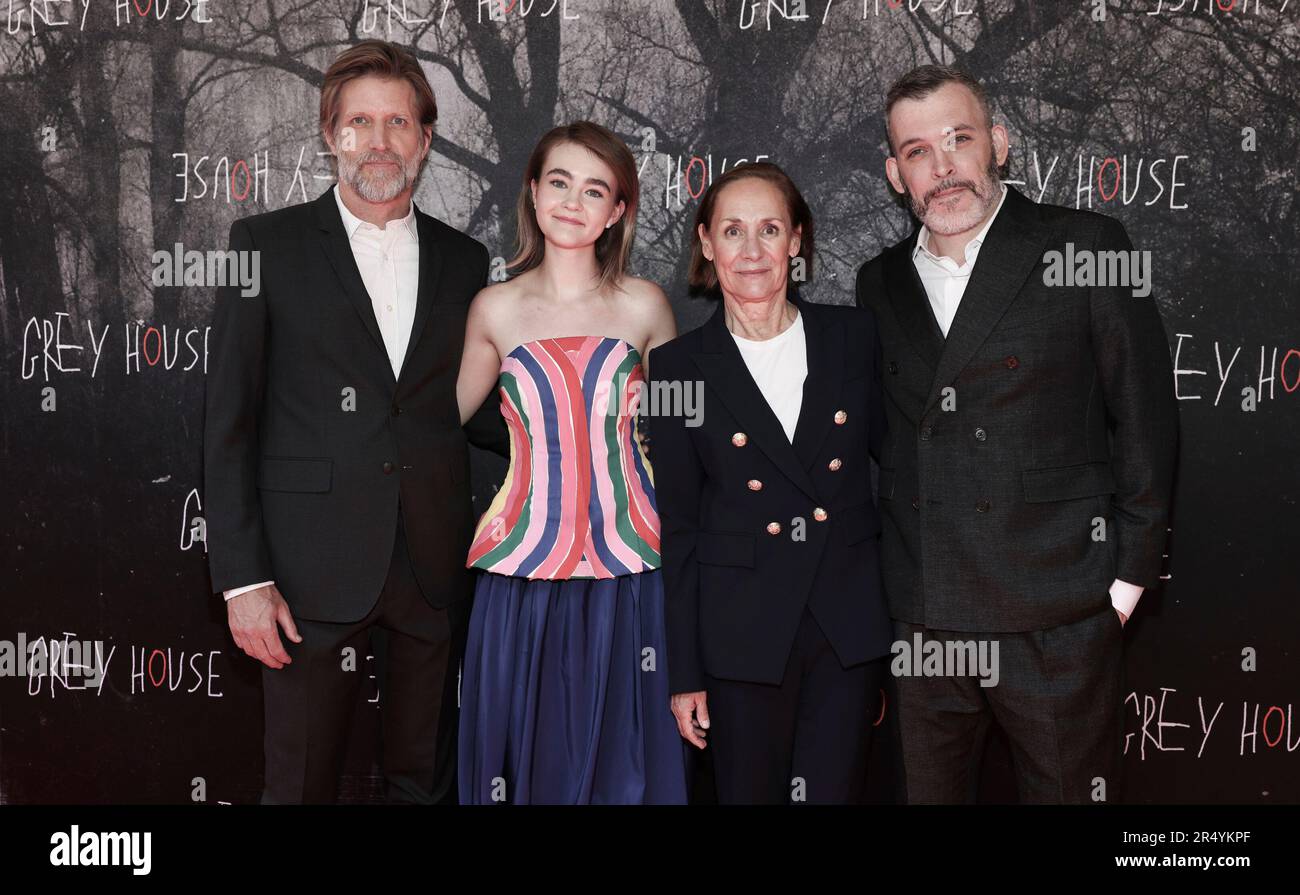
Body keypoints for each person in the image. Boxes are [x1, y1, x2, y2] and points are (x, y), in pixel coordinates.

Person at [855, 65, 1179, 803]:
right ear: (894, 173)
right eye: (916, 151)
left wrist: (1125, 584)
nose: (942, 168)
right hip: (927, 614)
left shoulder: (1089, 242)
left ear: (998, 143)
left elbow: (1147, 418)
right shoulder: (879, 284)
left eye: (958, 139)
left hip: (1056, 610)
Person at [203, 40, 508, 804]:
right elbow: (227, 422)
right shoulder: (262, 246)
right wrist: (244, 579)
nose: (379, 141)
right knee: (300, 783)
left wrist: (598, 421)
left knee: (424, 785)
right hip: (307, 569)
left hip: (433, 567)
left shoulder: (467, 263)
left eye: (398, 122)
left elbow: (476, 411)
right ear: (329, 134)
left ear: (426, 139)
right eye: (360, 122)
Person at [648, 161, 893, 804]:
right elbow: (679, 526)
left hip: (845, 627)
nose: (751, 251)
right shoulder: (676, 367)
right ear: (705, 244)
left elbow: (900, 468)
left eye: (769, 229)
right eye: (732, 231)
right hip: (740, 633)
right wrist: (684, 672)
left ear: (796, 240)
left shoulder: (855, 337)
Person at [455, 121, 685, 804]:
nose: (572, 202)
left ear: (617, 211)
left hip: (633, 571)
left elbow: (678, 439)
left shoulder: (646, 304)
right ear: (533, 190)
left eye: (595, 190)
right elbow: (438, 423)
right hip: (524, 575)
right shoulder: (494, 307)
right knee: (530, 764)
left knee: (628, 765)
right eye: (559, 182)